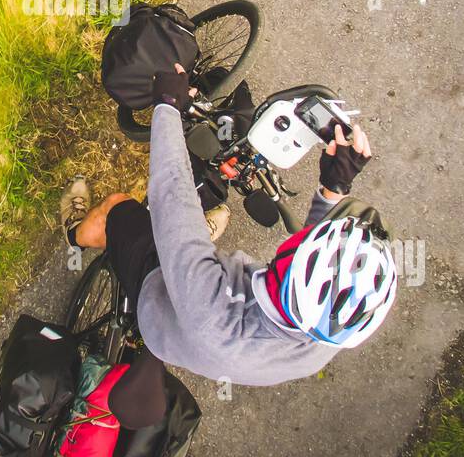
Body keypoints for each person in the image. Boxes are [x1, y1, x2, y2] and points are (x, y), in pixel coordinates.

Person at [60, 65, 397, 426]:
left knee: (122, 209)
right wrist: (334, 187)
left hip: (165, 302)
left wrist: (167, 104)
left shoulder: (214, 318)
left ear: (288, 264)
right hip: (208, 312)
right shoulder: (325, 334)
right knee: (188, 245)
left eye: (299, 243)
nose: (301, 236)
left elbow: (170, 192)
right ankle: (192, 251)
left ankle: (77, 232)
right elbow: (315, 266)